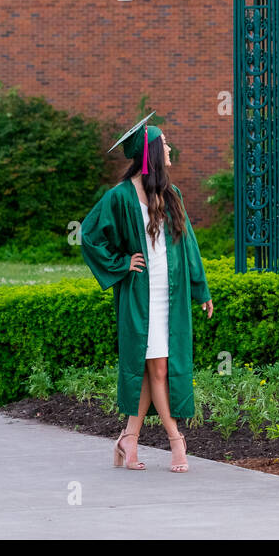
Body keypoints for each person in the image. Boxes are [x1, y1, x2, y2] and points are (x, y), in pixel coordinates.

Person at [79, 113, 215, 472]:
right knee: (156, 368)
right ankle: (175, 439)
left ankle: (129, 440)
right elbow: (89, 236)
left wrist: (201, 290)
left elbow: (189, 247)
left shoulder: (172, 195)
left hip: (169, 298)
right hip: (140, 297)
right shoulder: (120, 197)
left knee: (150, 368)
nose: (169, 148)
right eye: (164, 143)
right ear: (150, 153)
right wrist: (121, 263)